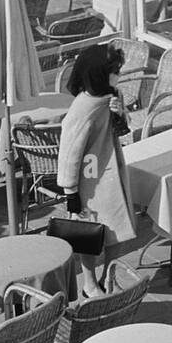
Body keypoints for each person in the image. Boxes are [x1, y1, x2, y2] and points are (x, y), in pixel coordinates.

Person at [57, 48, 136, 297]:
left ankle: (108, 277)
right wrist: (70, 190)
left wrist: (119, 114)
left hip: (112, 172)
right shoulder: (83, 108)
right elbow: (69, 152)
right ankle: (89, 284)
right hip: (90, 178)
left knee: (117, 231)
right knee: (89, 236)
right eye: (114, 72)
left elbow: (122, 129)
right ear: (99, 74)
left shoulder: (112, 95)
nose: (118, 76)